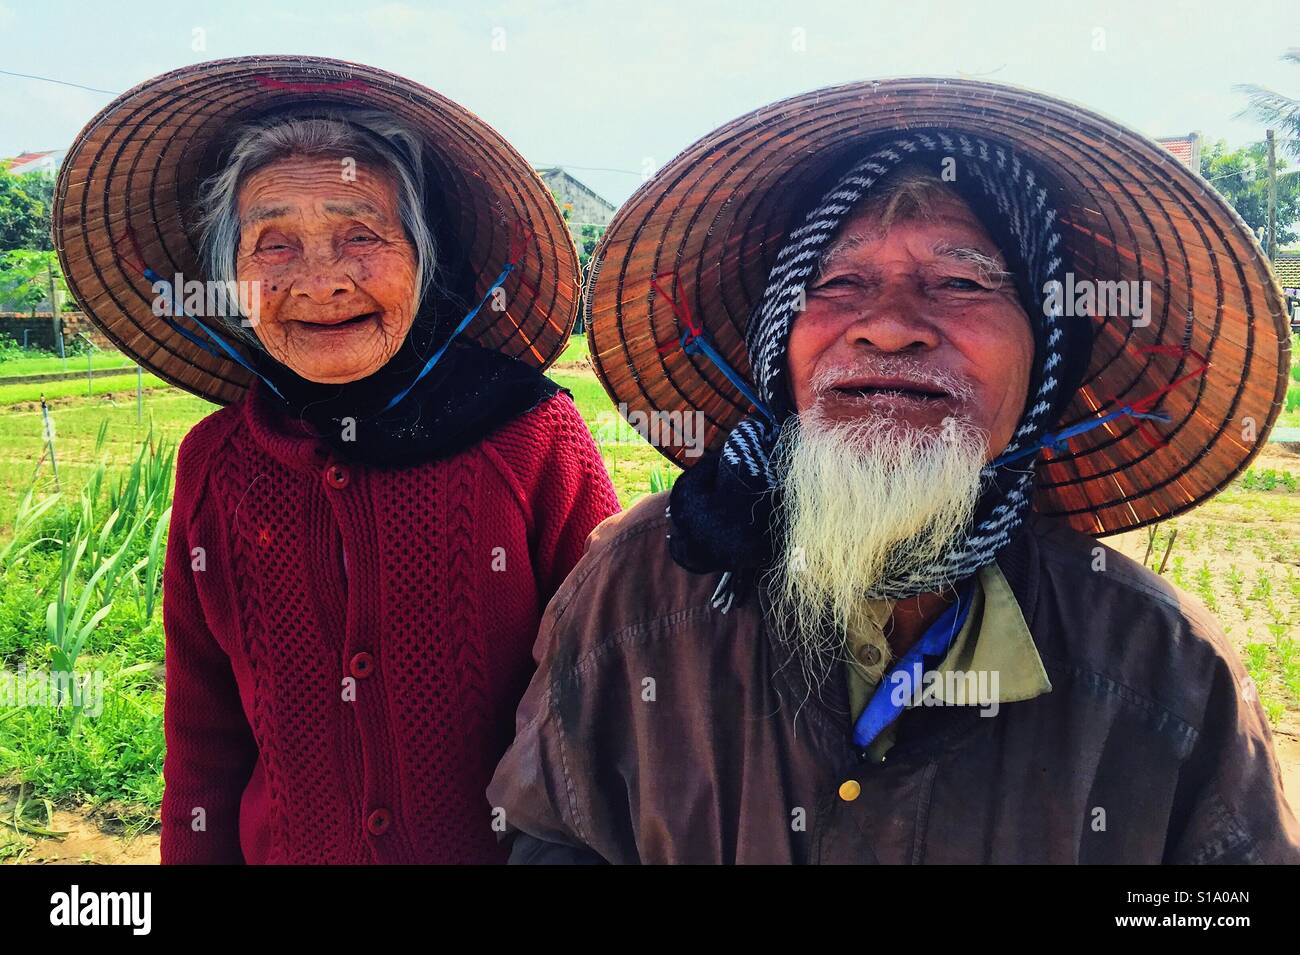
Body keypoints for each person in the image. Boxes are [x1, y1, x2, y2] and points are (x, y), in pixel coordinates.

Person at [487, 78, 1300, 863]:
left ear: (1048, 351)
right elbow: (556, 833)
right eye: (839, 281)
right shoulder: (635, 589)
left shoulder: (1162, 666)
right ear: (782, 345)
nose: (887, 327)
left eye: (960, 281)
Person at [54, 56, 619, 863]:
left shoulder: (529, 437)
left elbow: (606, 695)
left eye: (361, 234)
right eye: (272, 244)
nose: (320, 283)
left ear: (427, 261)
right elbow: (202, 737)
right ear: (230, 279)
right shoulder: (215, 463)